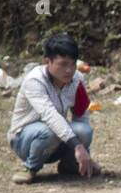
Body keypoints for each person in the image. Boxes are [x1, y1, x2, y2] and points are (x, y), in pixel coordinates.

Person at [7, 33, 98, 184]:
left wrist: (85, 153)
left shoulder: (77, 79)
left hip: (56, 139)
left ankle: (70, 165)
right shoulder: (35, 80)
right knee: (51, 129)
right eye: (63, 64)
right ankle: (30, 167)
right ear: (47, 61)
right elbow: (50, 116)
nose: (69, 70)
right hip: (23, 139)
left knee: (85, 131)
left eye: (72, 64)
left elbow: (81, 115)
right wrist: (78, 146)